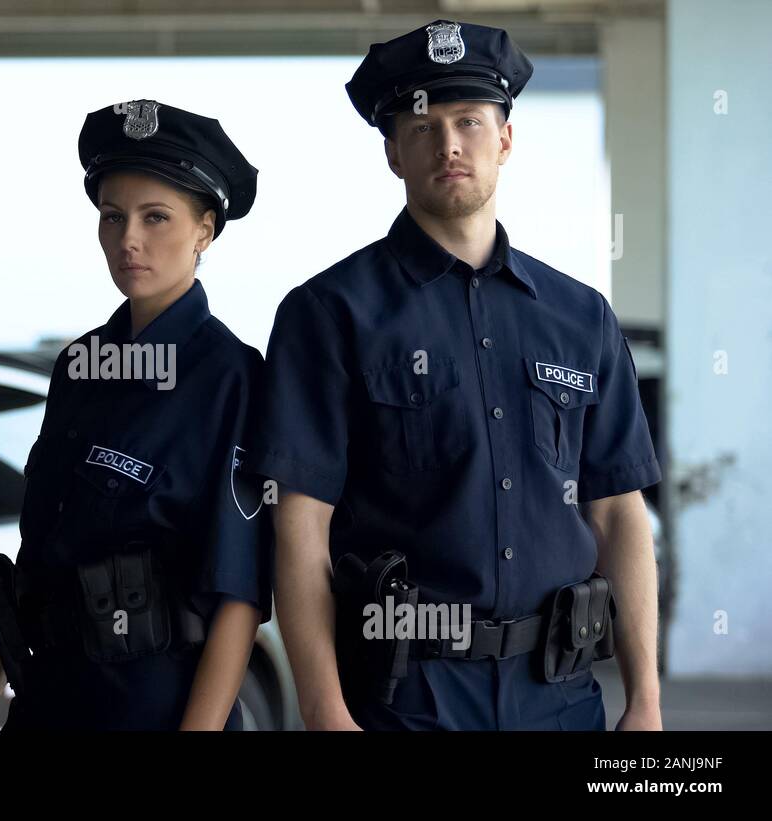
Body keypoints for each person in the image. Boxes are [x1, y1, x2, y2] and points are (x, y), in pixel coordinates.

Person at [247, 20, 663, 731]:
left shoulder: (581, 316)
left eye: (469, 121)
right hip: (405, 702)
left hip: (560, 700)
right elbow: (301, 531)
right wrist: (324, 711)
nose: (448, 144)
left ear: (505, 140)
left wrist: (646, 702)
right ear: (392, 153)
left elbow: (618, 511)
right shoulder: (328, 314)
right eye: (423, 126)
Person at [0, 99, 271, 731]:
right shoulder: (79, 366)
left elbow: (238, 594)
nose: (129, 238)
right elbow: (38, 558)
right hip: (48, 700)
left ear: (205, 229)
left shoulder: (230, 378)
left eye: (156, 217)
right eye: (112, 217)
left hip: (158, 705)